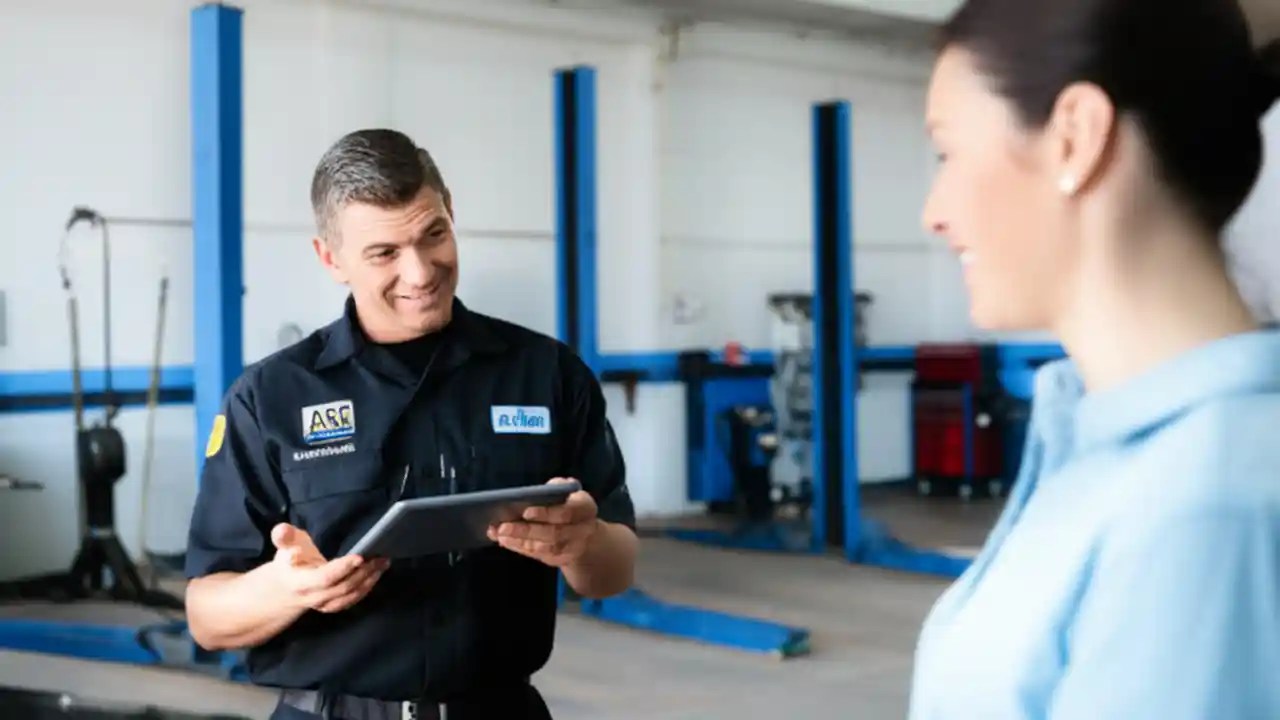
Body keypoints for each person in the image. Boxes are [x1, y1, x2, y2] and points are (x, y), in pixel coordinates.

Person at [182, 128, 639, 720]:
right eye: (384, 253)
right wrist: (286, 589)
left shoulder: (547, 375)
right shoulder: (269, 399)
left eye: (434, 235)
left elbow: (616, 570)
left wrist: (584, 543)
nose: (421, 272)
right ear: (331, 258)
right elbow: (206, 616)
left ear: (452, 215)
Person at [910, 0, 1280, 718]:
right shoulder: (1098, 446)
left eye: (947, 153)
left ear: (1075, 138)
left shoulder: (1206, 506)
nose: (934, 211)